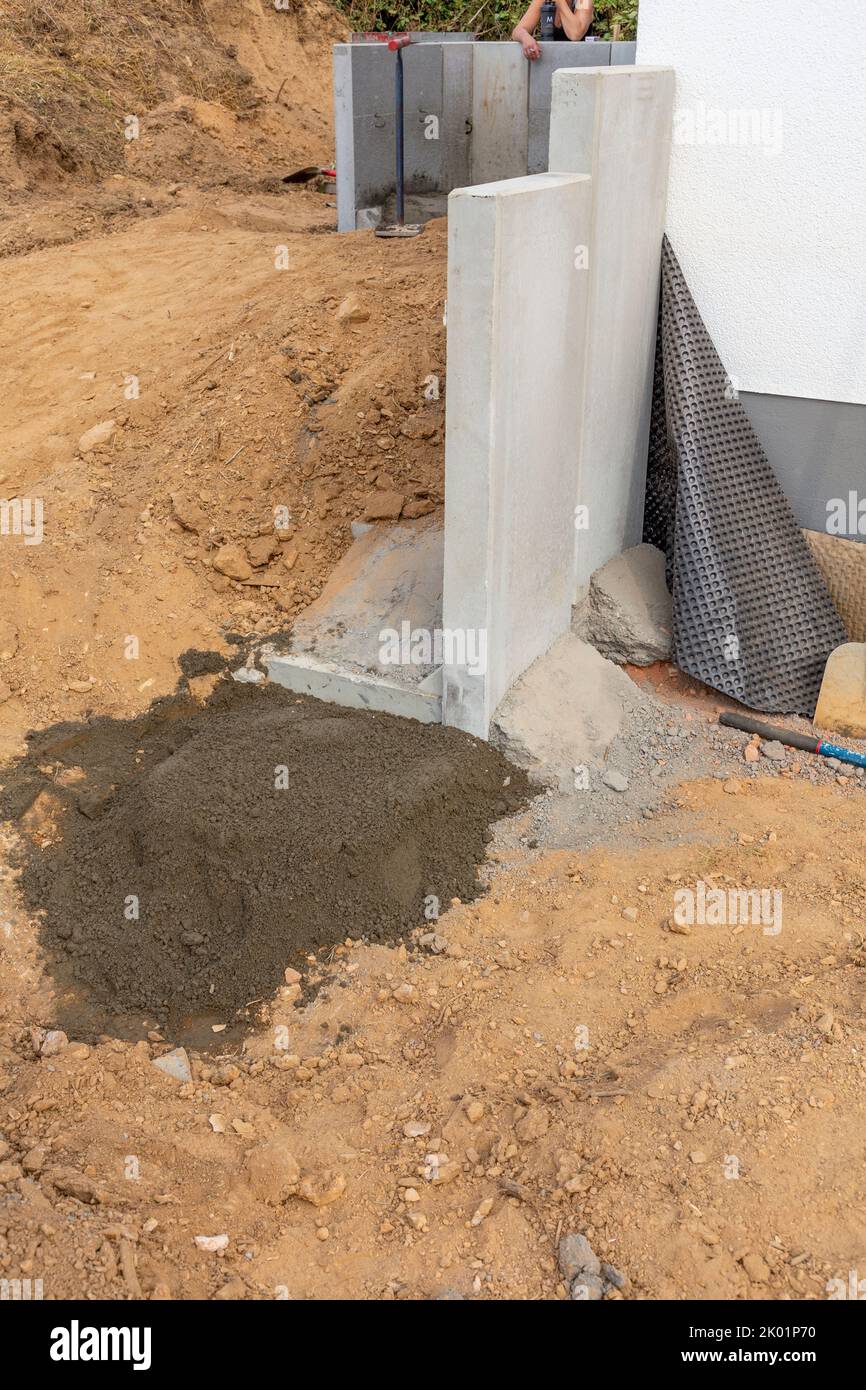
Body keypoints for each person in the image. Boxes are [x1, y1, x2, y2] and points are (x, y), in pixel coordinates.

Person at [513, 0, 595, 60]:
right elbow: (518, 30)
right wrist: (525, 38)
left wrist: (560, 2)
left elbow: (575, 34)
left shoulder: (584, 1)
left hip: (580, 61)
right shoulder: (542, 1)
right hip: (552, 60)